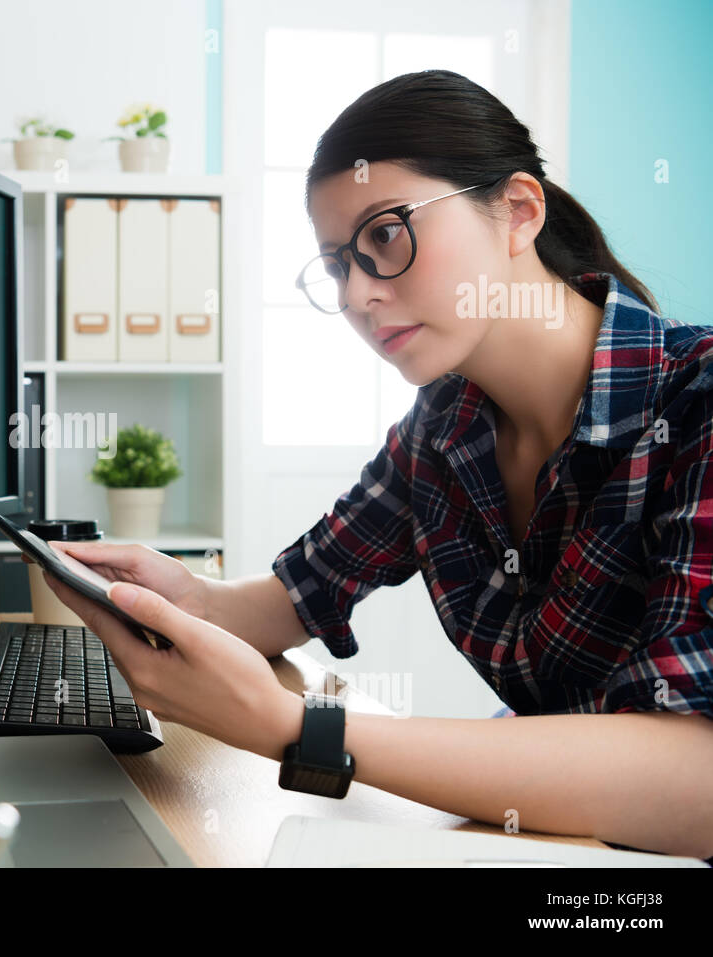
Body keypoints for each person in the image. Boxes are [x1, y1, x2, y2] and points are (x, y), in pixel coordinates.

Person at [37, 70, 713, 861]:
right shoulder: (443, 425)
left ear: (519, 212)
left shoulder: (695, 399)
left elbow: (695, 782)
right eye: (335, 266)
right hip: (561, 842)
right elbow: (300, 593)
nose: (357, 294)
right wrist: (186, 597)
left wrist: (295, 725)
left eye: (384, 235)